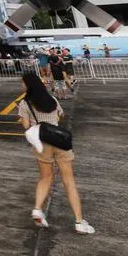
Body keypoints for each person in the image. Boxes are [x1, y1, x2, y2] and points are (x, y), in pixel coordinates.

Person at [18, 72, 94, 234]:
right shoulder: (52, 99)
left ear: (28, 85)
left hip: (42, 143)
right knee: (69, 181)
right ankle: (79, 222)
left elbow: (25, 126)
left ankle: (38, 210)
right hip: (59, 141)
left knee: (45, 177)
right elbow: (60, 116)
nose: (21, 86)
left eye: (22, 83)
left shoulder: (24, 104)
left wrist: (29, 120)